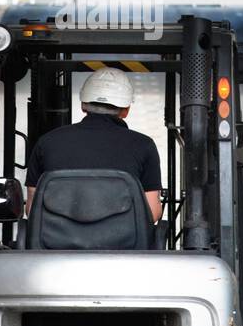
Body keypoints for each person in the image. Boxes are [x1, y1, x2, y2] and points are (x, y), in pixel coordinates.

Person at [25, 68, 163, 223]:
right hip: (124, 245)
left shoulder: (47, 142)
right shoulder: (144, 145)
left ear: (83, 105)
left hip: (56, 245)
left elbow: (32, 209)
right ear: (126, 110)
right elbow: (151, 212)